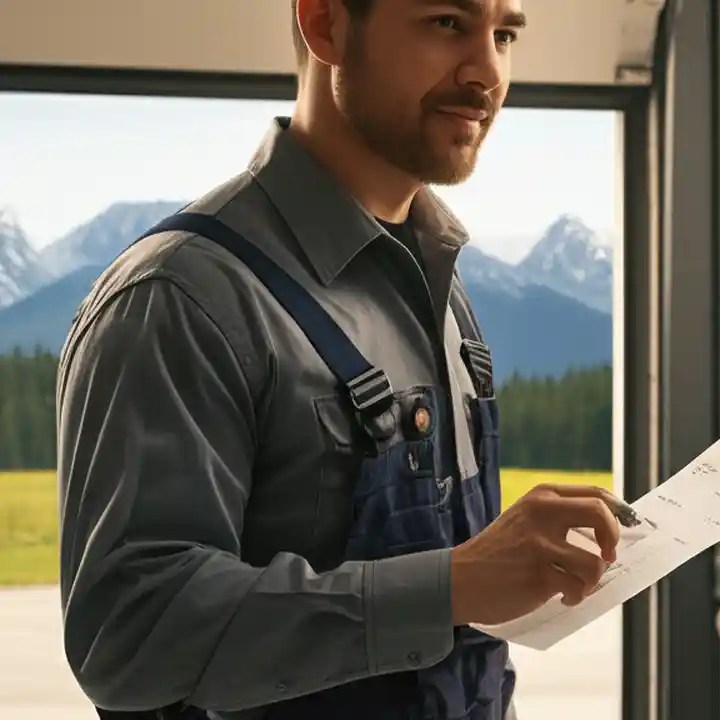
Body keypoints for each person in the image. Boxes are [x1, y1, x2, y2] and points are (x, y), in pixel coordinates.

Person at [55, 1, 622, 718]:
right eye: (448, 22)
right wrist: (451, 584)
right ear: (325, 24)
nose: (488, 72)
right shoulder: (179, 299)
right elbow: (128, 636)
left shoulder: (443, 291)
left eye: (504, 35)